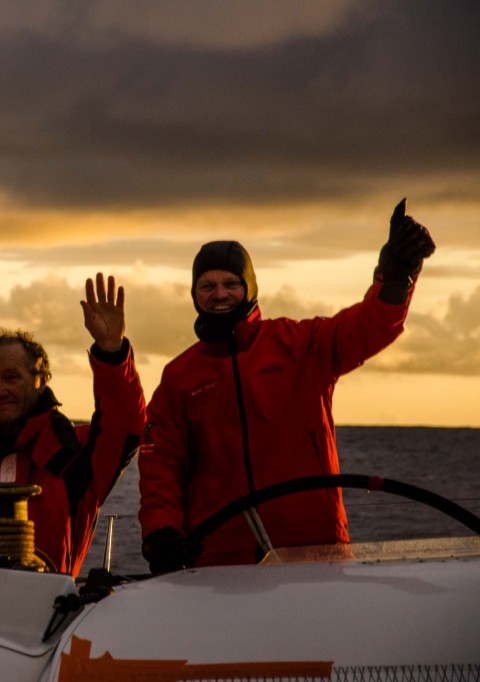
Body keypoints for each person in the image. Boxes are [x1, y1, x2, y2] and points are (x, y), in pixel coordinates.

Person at [138, 199, 436, 573]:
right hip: (218, 561)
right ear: (194, 294)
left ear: (250, 288)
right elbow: (160, 465)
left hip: (313, 552)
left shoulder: (301, 344)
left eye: (231, 283)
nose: (219, 294)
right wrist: (161, 532)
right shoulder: (180, 375)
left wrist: (396, 276)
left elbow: (367, 327)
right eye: (207, 285)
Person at [0, 273, 147, 577]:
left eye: (12, 377)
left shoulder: (76, 454)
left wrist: (112, 352)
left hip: (46, 614)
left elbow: (126, 426)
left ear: (41, 381)